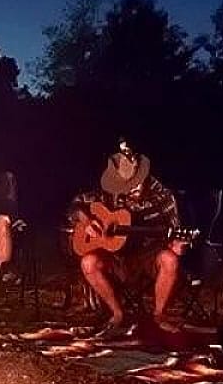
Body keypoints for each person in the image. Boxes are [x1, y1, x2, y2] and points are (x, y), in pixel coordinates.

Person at [68, 143, 186, 338]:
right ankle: (117, 313)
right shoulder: (108, 193)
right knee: (88, 262)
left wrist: (178, 244)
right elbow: (75, 205)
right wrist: (86, 220)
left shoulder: (162, 196)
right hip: (115, 257)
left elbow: (175, 230)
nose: (125, 190)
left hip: (148, 254)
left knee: (170, 259)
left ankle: (159, 316)